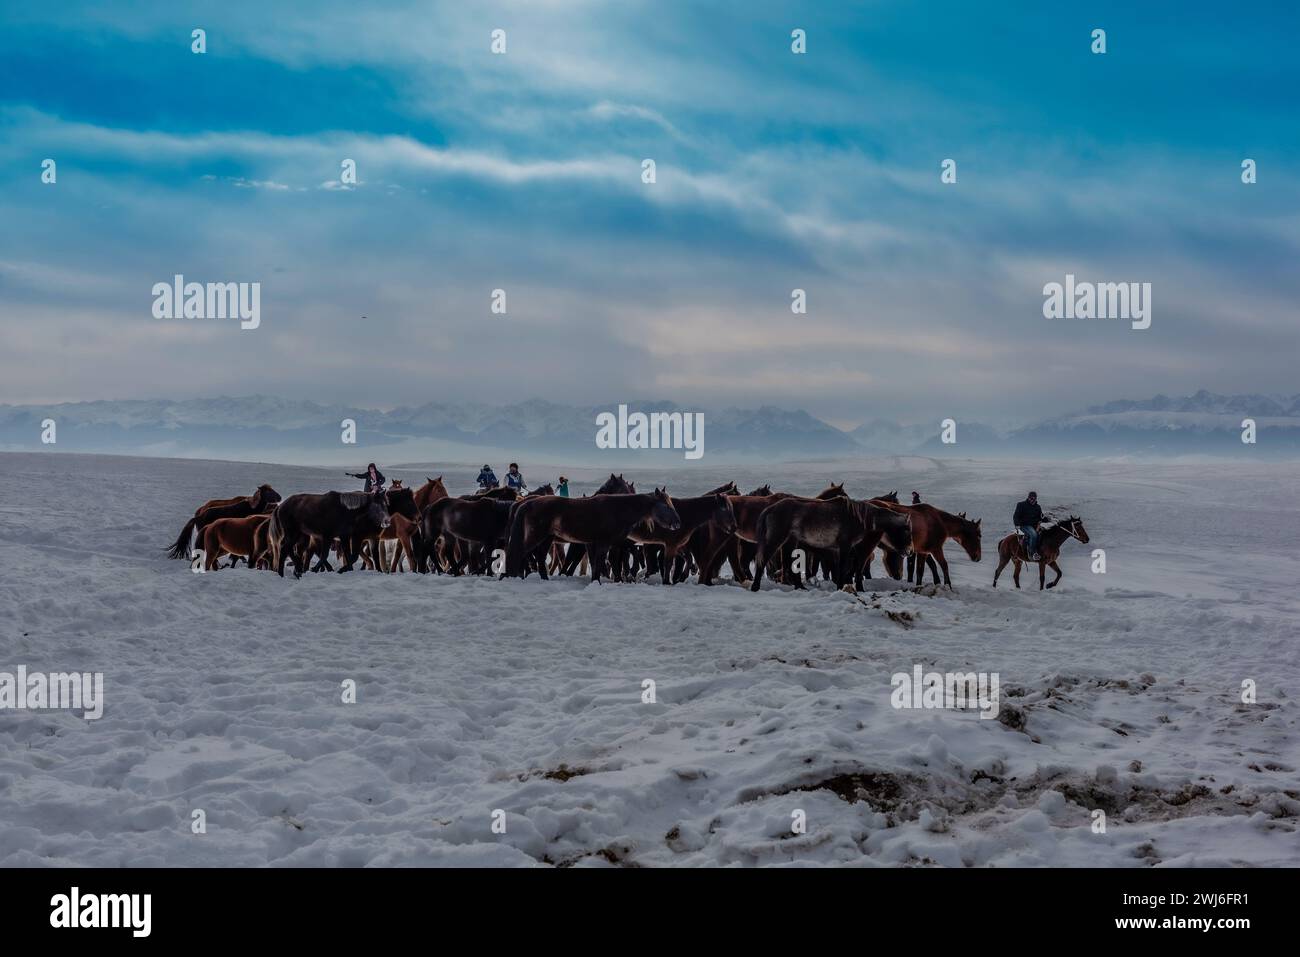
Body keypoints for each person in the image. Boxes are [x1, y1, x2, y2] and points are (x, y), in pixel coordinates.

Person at [1014, 490, 1044, 560]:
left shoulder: (1038, 507)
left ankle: (1041, 550)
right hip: (1024, 526)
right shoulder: (1021, 505)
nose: (1032, 500)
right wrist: (1017, 525)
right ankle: (1032, 553)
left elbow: (1040, 517)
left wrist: (1048, 519)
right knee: (1033, 534)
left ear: (1036, 498)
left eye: (1034, 498)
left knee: (1045, 533)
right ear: (1028, 498)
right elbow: (1016, 516)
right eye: (1031, 498)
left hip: (1035, 526)